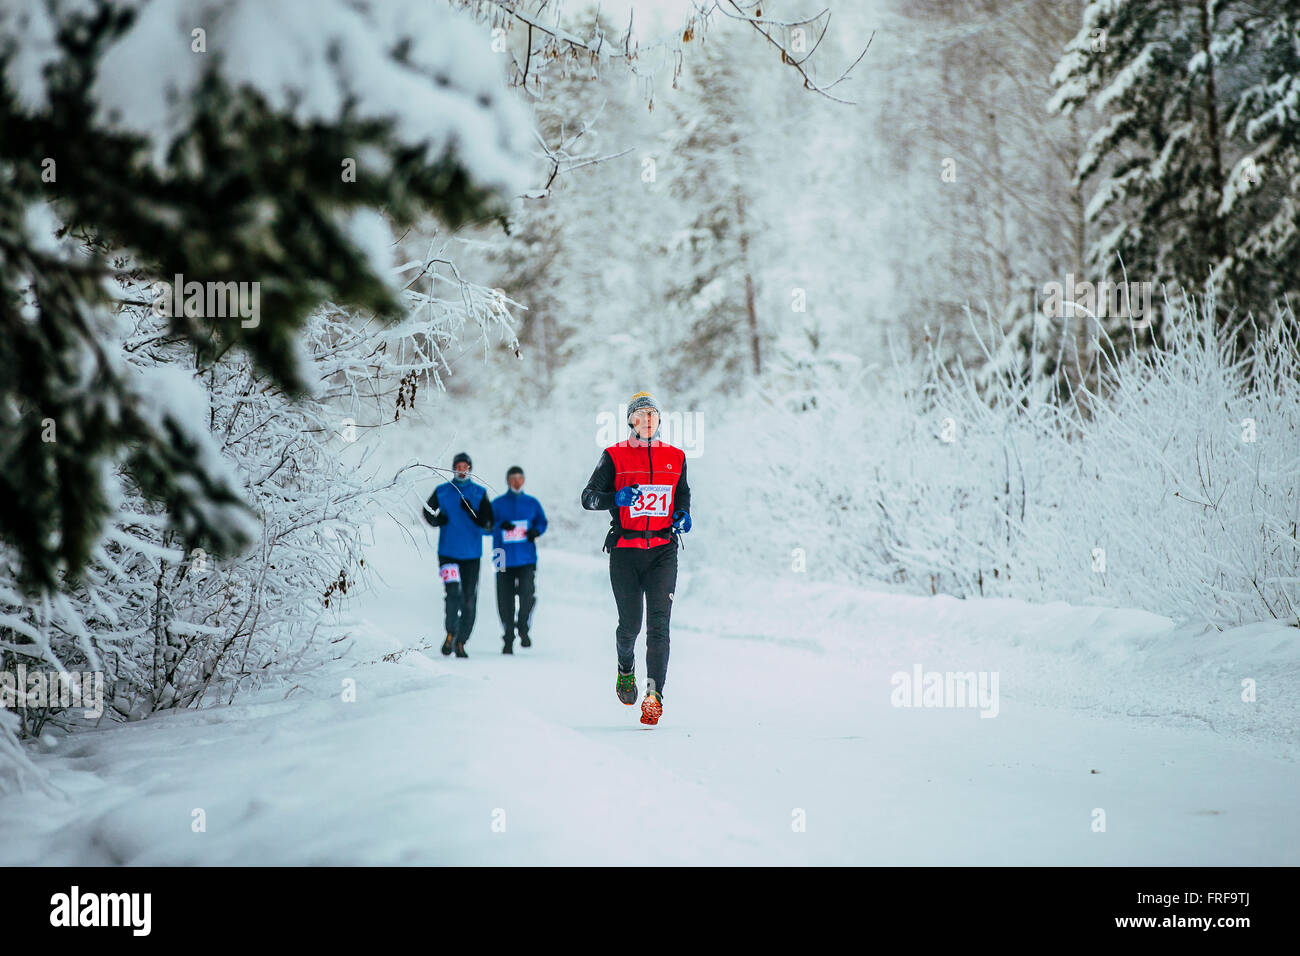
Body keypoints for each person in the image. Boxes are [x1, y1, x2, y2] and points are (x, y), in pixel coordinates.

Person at [581, 391, 691, 726]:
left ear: (659, 421)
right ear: (630, 421)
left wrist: (683, 514)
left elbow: (682, 493)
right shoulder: (614, 456)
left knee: (659, 626)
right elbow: (588, 498)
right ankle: (625, 666)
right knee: (630, 625)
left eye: (652, 415)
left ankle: (654, 696)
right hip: (626, 551)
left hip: (662, 551)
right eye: (640, 415)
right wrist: (616, 497)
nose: (646, 421)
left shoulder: (676, 457)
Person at [423, 452, 494, 657]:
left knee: (468, 599)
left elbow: (489, 524)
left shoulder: (479, 493)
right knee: (452, 594)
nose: (462, 470)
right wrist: (437, 520)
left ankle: (462, 640)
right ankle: (450, 633)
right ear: (453, 469)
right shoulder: (443, 491)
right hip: (448, 554)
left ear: (470, 469)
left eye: (465, 467)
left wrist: (472, 512)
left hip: (471, 556)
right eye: (458, 467)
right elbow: (427, 510)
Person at [491, 466, 548, 654]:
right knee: (504, 598)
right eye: (513, 478)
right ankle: (508, 636)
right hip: (501, 556)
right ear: (507, 481)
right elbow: (485, 526)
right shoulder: (497, 504)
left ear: (523, 480)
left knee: (527, 594)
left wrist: (535, 531)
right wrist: (500, 525)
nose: (516, 481)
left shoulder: (532, 503)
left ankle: (523, 627)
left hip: (526, 557)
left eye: (520, 478)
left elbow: (542, 522)